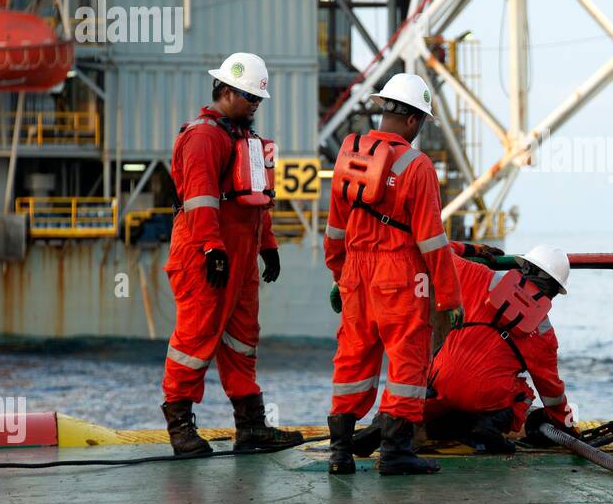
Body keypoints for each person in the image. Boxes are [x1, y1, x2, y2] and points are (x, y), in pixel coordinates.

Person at [161, 52, 303, 456]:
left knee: (242, 340)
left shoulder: (246, 140)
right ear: (225, 92)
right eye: (249, 98)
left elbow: (258, 201)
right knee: (195, 339)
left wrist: (268, 246)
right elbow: (201, 199)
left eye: (258, 99)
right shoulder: (203, 137)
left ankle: (251, 427)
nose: (255, 105)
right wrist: (211, 248)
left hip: (239, 257)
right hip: (205, 255)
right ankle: (180, 427)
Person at [324, 72, 463, 476]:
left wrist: (339, 275)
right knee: (407, 359)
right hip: (398, 275)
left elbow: (335, 229)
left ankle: (340, 453)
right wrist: (450, 299)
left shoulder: (348, 153)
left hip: (355, 273)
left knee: (351, 358)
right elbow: (432, 242)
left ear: (384, 110)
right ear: (413, 120)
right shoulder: (417, 167)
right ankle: (396, 453)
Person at [423, 243, 578, 453]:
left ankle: (393, 423)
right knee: (524, 393)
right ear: (552, 290)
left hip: (439, 383)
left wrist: (474, 249)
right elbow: (551, 392)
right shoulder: (543, 333)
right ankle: (488, 428)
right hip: (486, 396)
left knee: (434, 386)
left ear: (524, 268)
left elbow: (438, 250)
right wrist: (567, 427)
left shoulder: (476, 275)